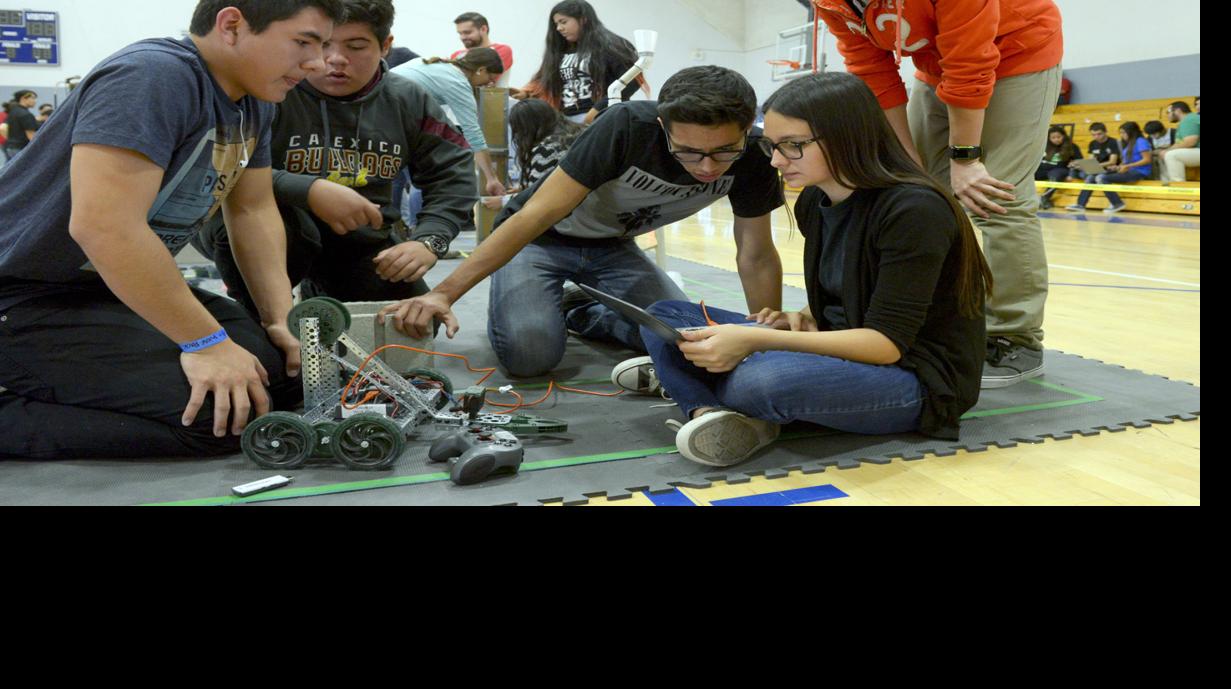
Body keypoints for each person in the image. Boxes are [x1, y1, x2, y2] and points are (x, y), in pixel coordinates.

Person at [0, 0, 339, 460]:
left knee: (280, 380)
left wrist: (279, 318)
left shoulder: (256, 101)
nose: (317, 63)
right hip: (22, 294)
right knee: (216, 420)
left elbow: (253, 210)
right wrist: (205, 342)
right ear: (232, 25)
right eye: (304, 42)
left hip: (100, 288)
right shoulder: (151, 76)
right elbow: (104, 228)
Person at [623, 71, 990, 468]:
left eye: (793, 146)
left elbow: (886, 344)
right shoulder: (814, 201)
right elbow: (845, 292)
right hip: (849, 348)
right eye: (772, 146)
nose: (777, 160)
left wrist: (757, 342)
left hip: (914, 379)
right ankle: (709, 413)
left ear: (848, 135)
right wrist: (798, 318)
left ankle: (689, 375)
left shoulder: (914, 210)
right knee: (665, 315)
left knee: (760, 380)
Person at [378, 65, 784, 382]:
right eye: (690, 152)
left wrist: (769, 332)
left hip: (613, 247)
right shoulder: (626, 127)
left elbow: (756, 252)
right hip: (541, 240)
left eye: (724, 151)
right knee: (530, 355)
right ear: (663, 127)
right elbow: (536, 215)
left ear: (748, 129)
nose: (707, 167)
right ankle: (564, 306)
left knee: (688, 338)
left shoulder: (756, 157)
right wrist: (444, 294)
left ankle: (584, 311)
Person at [811, 0, 1063, 389]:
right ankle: (925, 319)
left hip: (1018, 53)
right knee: (915, 194)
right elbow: (872, 70)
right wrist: (905, 157)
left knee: (995, 197)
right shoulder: (829, 2)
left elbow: (971, 63)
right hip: (935, 67)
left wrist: (966, 157)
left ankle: (1016, 338)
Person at [195, 0, 476, 323]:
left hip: (360, 238)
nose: (336, 60)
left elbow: (453, 176)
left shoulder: (409, 99)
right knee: (286, 256)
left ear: (385, 46)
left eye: (356, 46)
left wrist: (429, 239)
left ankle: (324, 290)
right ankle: (256, 309)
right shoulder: (270, 88)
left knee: (406, 324)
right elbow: (225, 167)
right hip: (269, 230)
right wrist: (308, 189)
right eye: (322, 44)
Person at [389, 48, 507, 197]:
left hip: (378, 112)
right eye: (490, 78)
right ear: (481, 70)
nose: (489, 84)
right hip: (390, 117)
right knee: (427, 182)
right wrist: (492, 178)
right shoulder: (457, 83)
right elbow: (474, 135)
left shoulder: (437, 64)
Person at [524, 1, 643, 124]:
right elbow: (546, 80)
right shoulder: (561, 50)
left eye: (563, 22)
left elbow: (632, 81)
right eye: (556, 24)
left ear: (583, 20)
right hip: (565, 119)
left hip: (601, 116)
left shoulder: (611, 45)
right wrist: (527, 93)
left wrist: (597, 110)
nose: (559, 28)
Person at [1071, 121, 1151, 214]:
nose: (1121, 135)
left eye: (1123, 132)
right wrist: (1117, 167)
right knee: (1091, 177)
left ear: (1131, 132)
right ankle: (1080, 205)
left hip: (1139, 171)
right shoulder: (1129, 143)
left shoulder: (1141, 141)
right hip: (1128, 170)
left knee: (1101, 178)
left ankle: (1117, 203)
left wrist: (1128, 166)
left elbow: (1147, 160)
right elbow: (1126, 161)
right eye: (1120, 132)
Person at [507, 98, 584, 194]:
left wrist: (503, 201)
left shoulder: (546, 150)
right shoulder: (580, 131)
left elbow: (536, 196)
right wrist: (524, 190)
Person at [450, 11, 513, 83]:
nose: (462, 37)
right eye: (460, 33)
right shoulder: (457, 55)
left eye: (467, 32)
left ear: (483, 29)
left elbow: (485, 82)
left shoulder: (502, 50)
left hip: (492, 94)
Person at [1036, 126, 1082, 209]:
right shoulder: (1044, 145)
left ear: (1064, 136)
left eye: (1058, 137)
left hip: (1060, 170)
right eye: (1053, 137)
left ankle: (1045, 198)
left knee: (1055, 175)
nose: (1056, 139)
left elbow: (1080, 161)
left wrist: (1073, 167)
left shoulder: (1072, 146)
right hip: (1043, 169)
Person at [1163, 97, 1200, 182]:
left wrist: (1167, 151)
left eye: (1168, 112)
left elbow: (1190, 142)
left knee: (1171, 155)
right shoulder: (1188, 120)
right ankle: (1166, 183)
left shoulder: (1189, 119)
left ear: (1178, 111)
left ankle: (1178, 187)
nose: (1167, 115)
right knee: (1166, 154)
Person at [3, 91, 40, 162]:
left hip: (11, 147)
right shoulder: (26, 115)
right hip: (21, 148)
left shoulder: (13, 111)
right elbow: (31, 136)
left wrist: (12, 140)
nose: (34, 101)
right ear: (23, 98)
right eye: (32, 98)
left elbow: (3, 128)